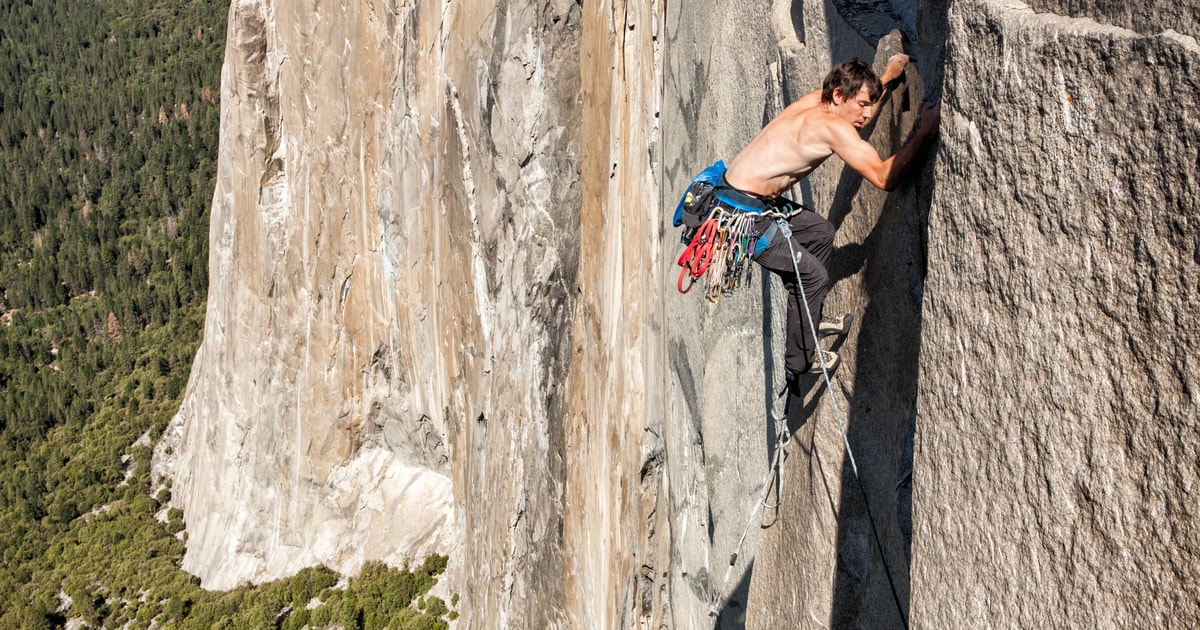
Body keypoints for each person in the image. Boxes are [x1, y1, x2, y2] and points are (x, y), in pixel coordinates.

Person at [722, 55, 940, 391]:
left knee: (819, 232)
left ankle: (807, 322)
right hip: (741, 216)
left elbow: (852, 120)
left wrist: (885, 78)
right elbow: (884, 177)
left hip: (738, 196)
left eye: (871, 104)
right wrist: (925, 131)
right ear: (839, 96)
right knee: (812, 275)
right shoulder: (833, 127)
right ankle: (799, 364)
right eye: (863, 104)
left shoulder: (817, 101)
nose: (867, 114)